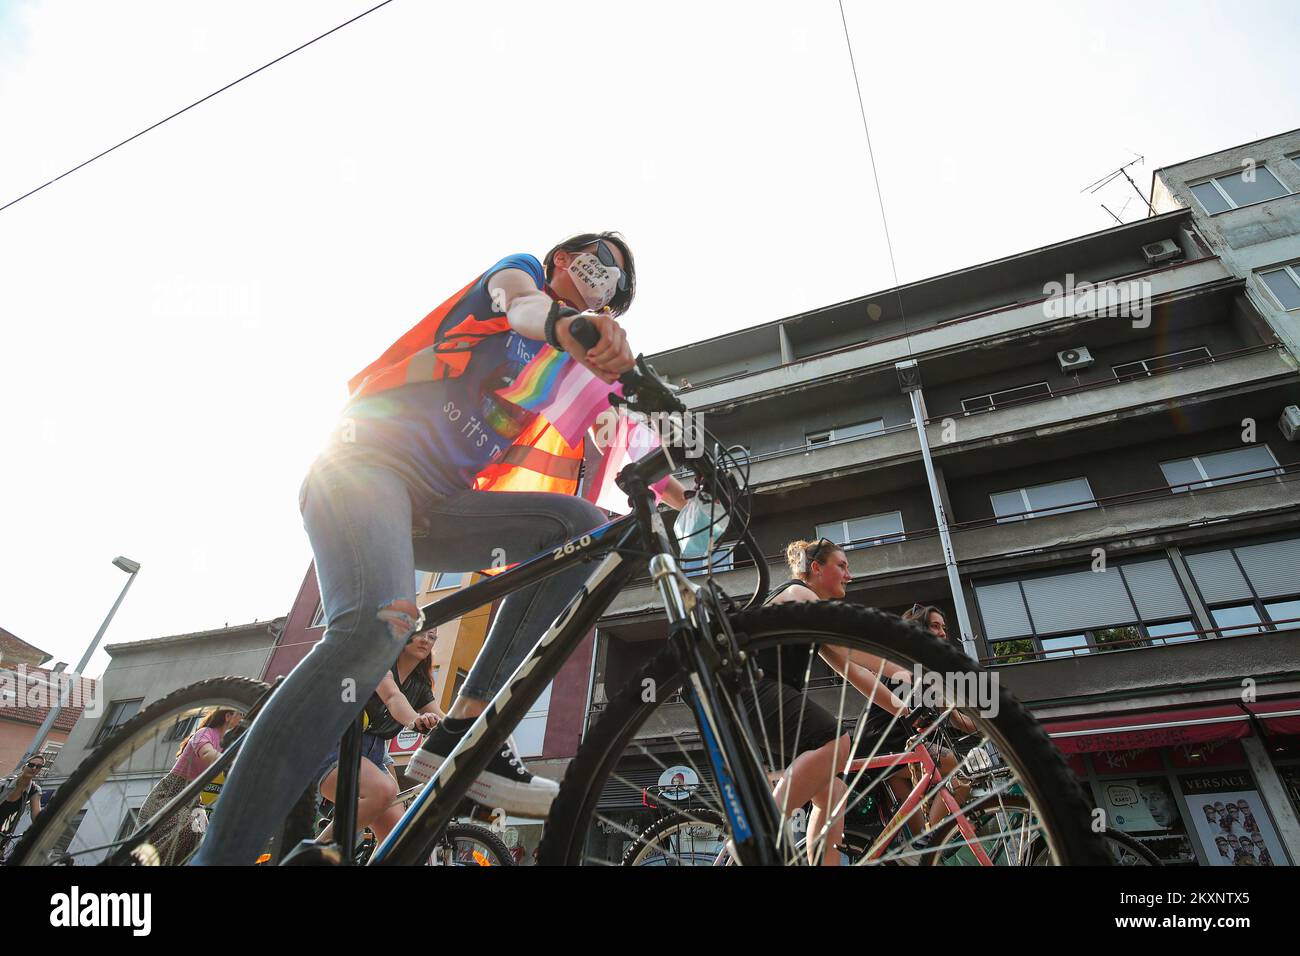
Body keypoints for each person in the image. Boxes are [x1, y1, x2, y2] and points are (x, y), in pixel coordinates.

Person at [194, 233, 686, 865]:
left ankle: (463, 727)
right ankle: (217, 859)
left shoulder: (566, 368)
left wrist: (693, 484)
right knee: (374, 627)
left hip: (435, 508)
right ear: (562, 258)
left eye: (616, 288)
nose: (605, 282)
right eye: (601, 263)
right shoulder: (520, 278)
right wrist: (571, 325)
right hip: (361, 466)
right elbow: (522, 306)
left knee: (577, 530)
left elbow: (625, 432)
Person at [740, 537, 915, 865]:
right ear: (816, 569)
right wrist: (908, 671)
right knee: (837, 742)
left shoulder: (809, 614)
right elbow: (854, 650)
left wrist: (904, 709)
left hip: (760, 702)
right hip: (750, 693)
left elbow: (854, 671)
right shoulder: (798, 594)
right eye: (842, 566)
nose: (849, 575)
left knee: (832, 794)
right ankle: (760, 836)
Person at [314, 625, 443, 848]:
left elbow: (446, 721)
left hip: (374, 754)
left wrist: (480, 729)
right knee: (384, 789)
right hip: (337, 745)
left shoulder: (419, 685)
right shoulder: (380, 662)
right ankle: (308, 857)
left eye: (432, 637)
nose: (426, 640)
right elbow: (392, 697)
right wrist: (415, 720)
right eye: (421, 633)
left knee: (400, 842)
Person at [136, 708, 241, 864]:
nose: (242, 718)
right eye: (241, 714)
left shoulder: (223, 743)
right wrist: (237, 761)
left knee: (203, 839)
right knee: (186, 828)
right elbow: (207, 754)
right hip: (170, 793)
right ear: (228, 716)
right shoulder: (205, 733)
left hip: (193, 799)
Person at [0, 753, 45, 859]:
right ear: (24, 766)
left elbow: (36, 817)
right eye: (31, 765)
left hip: (4, 834)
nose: (34, 768)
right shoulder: (3, 784)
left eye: (38, 767)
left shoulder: (34, 790)